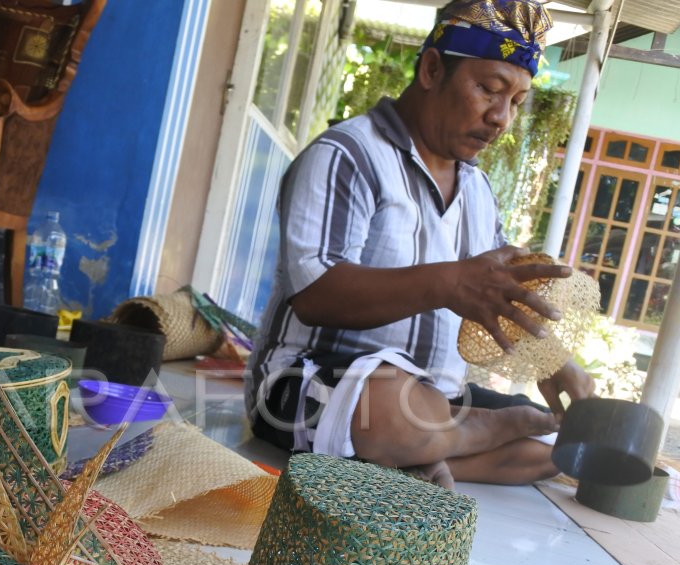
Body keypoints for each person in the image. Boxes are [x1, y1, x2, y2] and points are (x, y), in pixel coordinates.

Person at [245, 0, 595, 489]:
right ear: (432, 69)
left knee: (556, 444)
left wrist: (554, 359)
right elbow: (315, 295)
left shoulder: (477, 192)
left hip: (434, 398)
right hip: (314, 384)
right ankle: (435, 437)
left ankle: (426, 448)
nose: (501, 118)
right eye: (489, 90)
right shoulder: (347, 155)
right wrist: (449, 283)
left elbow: (498, 294)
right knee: (392, 407)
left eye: (516, 102)